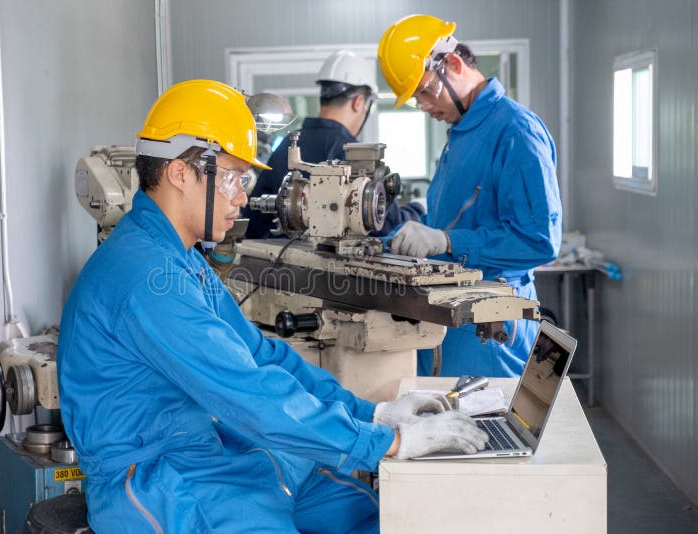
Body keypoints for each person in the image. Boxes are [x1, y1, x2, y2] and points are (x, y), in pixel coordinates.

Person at [57, 79, 488, 533]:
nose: (242, 196)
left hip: (213, 451)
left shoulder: (180, 258)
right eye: (231, 178)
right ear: (179, 173)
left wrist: (374, 415)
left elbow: (263, 358)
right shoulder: (145, 277)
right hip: (159, 481)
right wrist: (390, 442)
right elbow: (247, 394)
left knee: (382, 518)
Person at [378, 15, 562, 378]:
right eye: (417, 99)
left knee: (489, 432)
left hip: (488, 332)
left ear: (455, 64)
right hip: (446, 323)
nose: (425, 107)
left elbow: (538, 240)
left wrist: (445, 239)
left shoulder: (515, 131)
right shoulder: (461, 133)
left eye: (425, 91)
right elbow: (452, 222)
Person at [244, 50, 425, 238]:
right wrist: (419, 209)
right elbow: (387, 228)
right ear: (359, 102)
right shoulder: (357, 157)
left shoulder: (286, 149)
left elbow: (253, 225)